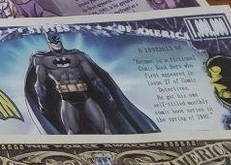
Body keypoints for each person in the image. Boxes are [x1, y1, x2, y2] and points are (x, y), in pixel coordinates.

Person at [24, 33, 160, 136]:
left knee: (106, 130)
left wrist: (108, 95)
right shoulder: (42, 59)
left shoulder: (77, 56)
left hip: (85, 96)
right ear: (48, 41)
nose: (55, 42)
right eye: (52, 40)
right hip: (66, 99)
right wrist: (42, 105)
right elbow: (40, 85)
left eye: (56, 39)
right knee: (71, 134)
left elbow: (94, 79)